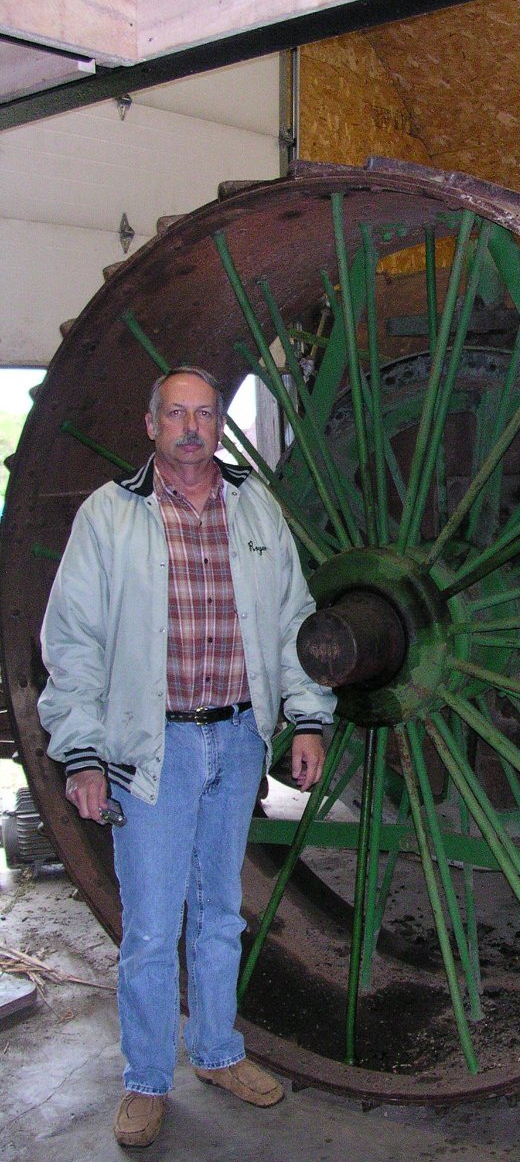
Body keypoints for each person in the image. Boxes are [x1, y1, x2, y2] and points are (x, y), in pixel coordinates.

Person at [38, 367, 335, 1148]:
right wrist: (82, 755)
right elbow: (73, 645)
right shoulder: (111, 516)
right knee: (148, 926)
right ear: (151, 425)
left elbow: (291, 620)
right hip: (153, 747)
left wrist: (306, 718)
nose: (193, 428)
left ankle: (216, 1051)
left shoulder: (252, 507)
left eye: (205, 414)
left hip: (236, 739)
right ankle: (145, 1080)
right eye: (177, 414)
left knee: (217, 915)